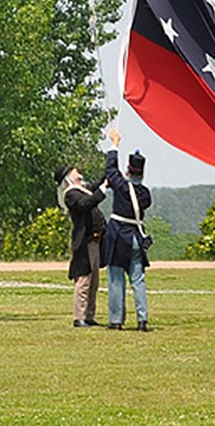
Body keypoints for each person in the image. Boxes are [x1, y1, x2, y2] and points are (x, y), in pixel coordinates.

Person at [101, 127, 152, 331]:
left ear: (128, 170)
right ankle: (142, 319)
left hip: (119, 237)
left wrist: (114, 144)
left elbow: (111, 170)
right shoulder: (145, 194)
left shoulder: (122, 187)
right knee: (138, 281)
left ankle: (116, 320)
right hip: (136, 238)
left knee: (116, 279)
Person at [55, 164, 108, 328]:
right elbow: (86, 203)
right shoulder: (71, 195)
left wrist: (110, 168)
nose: (78, 173)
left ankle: (89, 315)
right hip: (84, 242)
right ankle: (79, 316)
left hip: (95, 240)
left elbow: (97, 185)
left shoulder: (83, 189)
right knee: (83, 280)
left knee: (94, 281)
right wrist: (103, 189)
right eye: (74, 172)